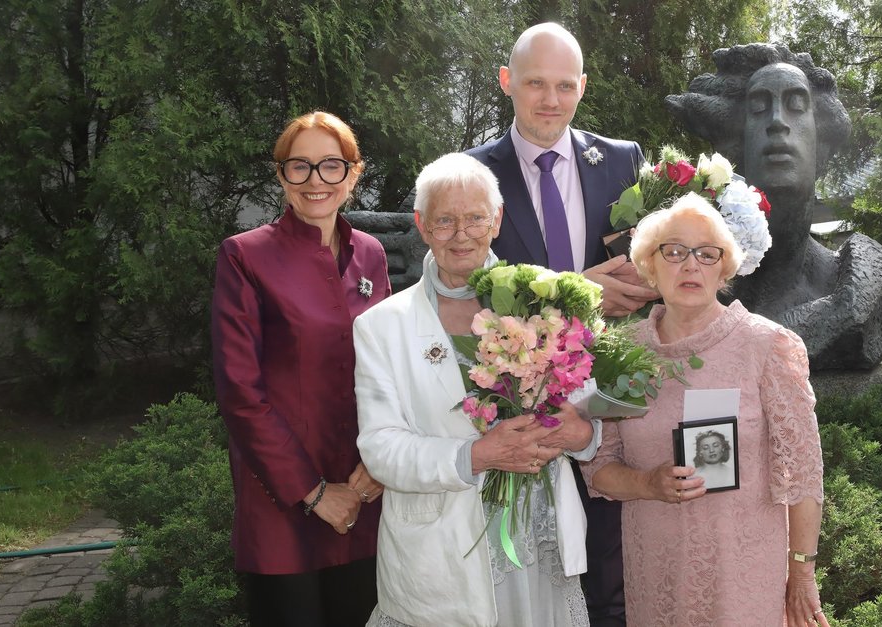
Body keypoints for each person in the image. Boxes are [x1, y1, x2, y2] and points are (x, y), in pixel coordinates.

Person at [353, 152, 600, 627]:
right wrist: (477, 456)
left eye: (474, 218)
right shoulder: (381, 326)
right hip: (444, 554)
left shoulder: (545, 298)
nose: (460, 233)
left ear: (497, 220)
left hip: (538, 540)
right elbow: (381, 449)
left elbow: (585, 404)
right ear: (422, 225)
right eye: (444, 220)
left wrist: (584, 437)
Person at [467, 22, 656, 625]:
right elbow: (473, 281)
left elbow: (649, 267)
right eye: (535, 84)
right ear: (507, 83)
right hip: (521, 399)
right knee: (535, 568)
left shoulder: (623, 162)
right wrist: (581, 289)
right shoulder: (471, 173)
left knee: (613, 567)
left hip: (610, 397)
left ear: (582, 87)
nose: (550, 100)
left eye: (564, 86)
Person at [582, 193, 830, 627]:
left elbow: (803, 473)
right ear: (649, 265)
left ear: (724, 267)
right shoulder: (620, 353)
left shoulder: (768, 346)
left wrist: (802, 573)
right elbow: (598, 468)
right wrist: (647, 482)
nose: (690, 265)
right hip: (656, 572)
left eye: (706, 253)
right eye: (674, 252)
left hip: (745, 578)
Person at [211, 111, 390, 627]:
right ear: (280, 175)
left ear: (354, 174)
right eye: (300, 167)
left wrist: (379, 463)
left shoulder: (371, 256)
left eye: (331, 166)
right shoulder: (245, 257)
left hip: (362, 494)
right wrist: (312, 493)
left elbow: (391, 367)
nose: (316, 181)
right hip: (282, 504)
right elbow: (240, 392)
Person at [666, 43, 882, 371]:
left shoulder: (854, 280)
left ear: (820, 134)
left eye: (796, 104)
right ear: (738, 137)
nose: (778, 122)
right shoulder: (689, 285)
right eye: (758, 107)